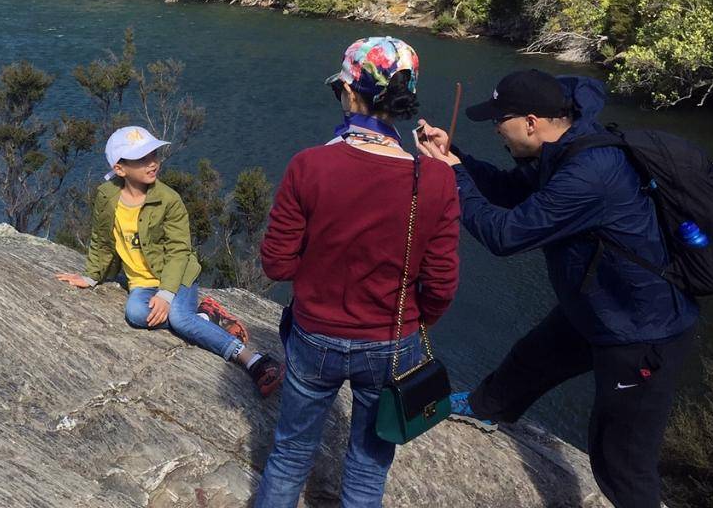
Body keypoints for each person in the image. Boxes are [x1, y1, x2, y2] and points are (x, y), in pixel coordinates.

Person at [415, 69, 698, 508]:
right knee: (533, 358)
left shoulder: (589, 172)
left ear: (531, 121)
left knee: (621, 460)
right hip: (598, 304)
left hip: (642, 330)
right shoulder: (563, 150)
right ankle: (485, 409)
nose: (495, 129)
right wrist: (457, 159)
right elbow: (510, 190)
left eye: (498, 120)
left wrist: (450, 177)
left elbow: (505, 235)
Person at [254, 37, 461, 508]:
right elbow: (442, 283)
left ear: (351, 93)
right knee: (368, 469)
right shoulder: (435, 179)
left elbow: (277, 263)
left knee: (289, 455)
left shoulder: (310, 165)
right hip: (392, 341)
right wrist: (414, 323)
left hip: (315, 335)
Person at [55, 125, 284, 397]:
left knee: (180, 319)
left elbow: (179, 251)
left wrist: (165, 294)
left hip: (177, 276)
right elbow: (102, 239)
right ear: (120, 169)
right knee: (136, 314)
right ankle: (207, 315)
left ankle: (253, 360)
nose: (152, 162)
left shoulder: (168, 200)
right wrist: (92, 276)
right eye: (141, 159)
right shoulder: (107, 196)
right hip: (140, 281)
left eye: (153, 154)